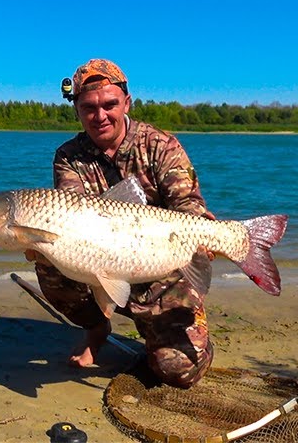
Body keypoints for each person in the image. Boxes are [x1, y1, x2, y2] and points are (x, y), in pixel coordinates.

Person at [29, 58, 217, 388]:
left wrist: (203, 232)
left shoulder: (161, 146)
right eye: (88, 107)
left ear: (126, 103)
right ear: (77, 110)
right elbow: (72, 219)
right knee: (48, 254)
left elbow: (189, 207)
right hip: (100, 259)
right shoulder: (68, 157)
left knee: (178, 371)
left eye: (109, 105)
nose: (100, 116)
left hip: (163, 265)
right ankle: (97, 326)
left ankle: (178, 331)